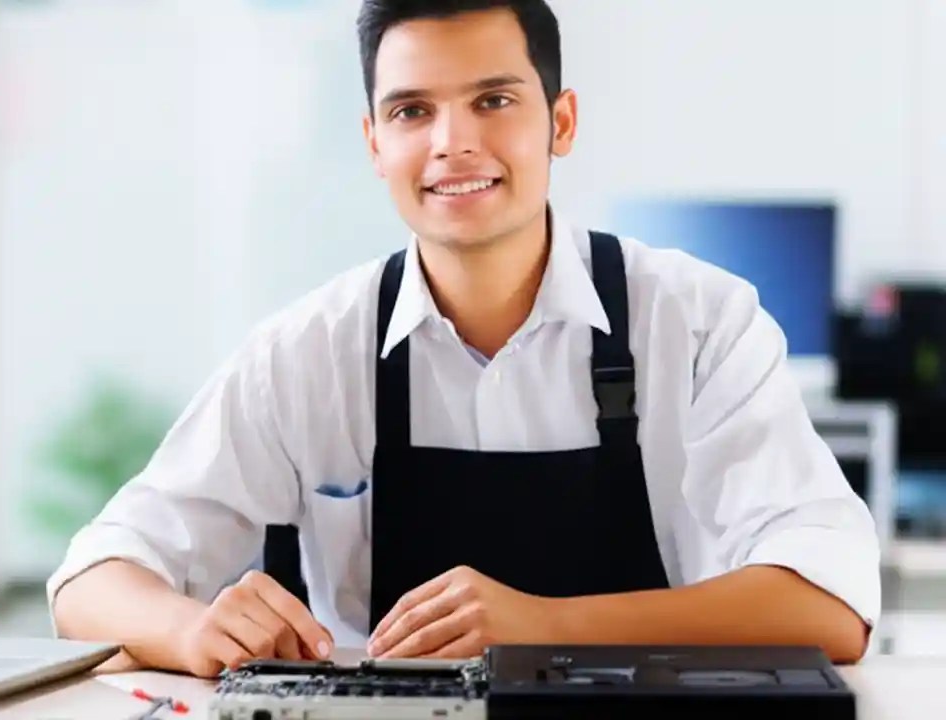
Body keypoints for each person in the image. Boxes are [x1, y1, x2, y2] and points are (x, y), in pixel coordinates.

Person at [49, 0, 880, 678]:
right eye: (413, 110)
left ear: (561, 121)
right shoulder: (307, 352)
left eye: (493, 100)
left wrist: (544, 627)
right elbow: (90, 581)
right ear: (375, 142)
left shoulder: (700, 322)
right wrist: (193, 630)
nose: (453, 142)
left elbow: (831, 603)